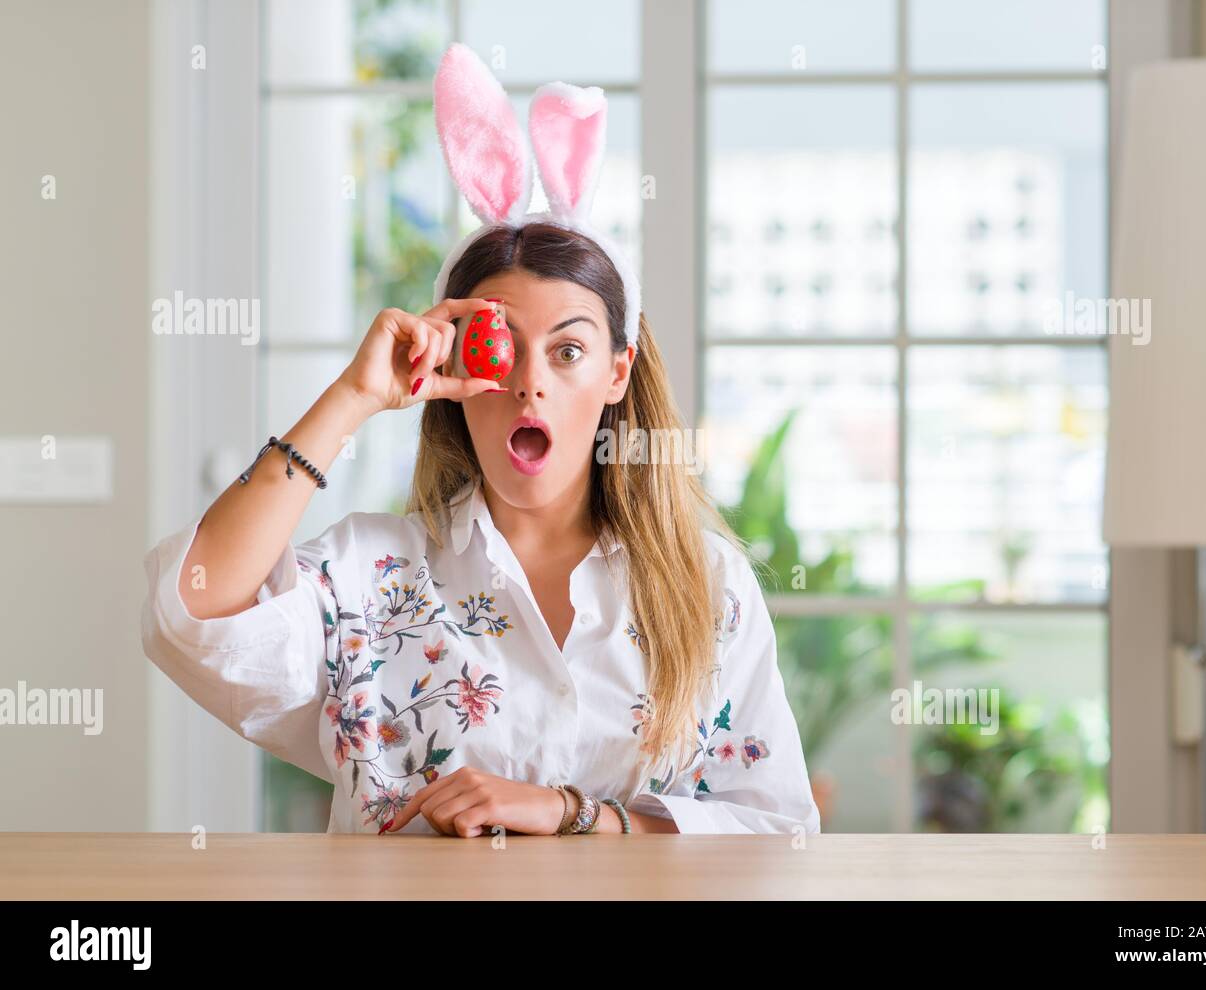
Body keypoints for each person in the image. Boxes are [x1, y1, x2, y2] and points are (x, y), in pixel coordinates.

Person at [140, 43, 820, 838]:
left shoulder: (707, 587)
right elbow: (190, 613)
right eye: (500, 348)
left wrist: (576, 816)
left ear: (616, 372)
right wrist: (353, 398)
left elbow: (777, 830)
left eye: (568, 351)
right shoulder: (370, 575)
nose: (531, 383)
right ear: (456, 369)